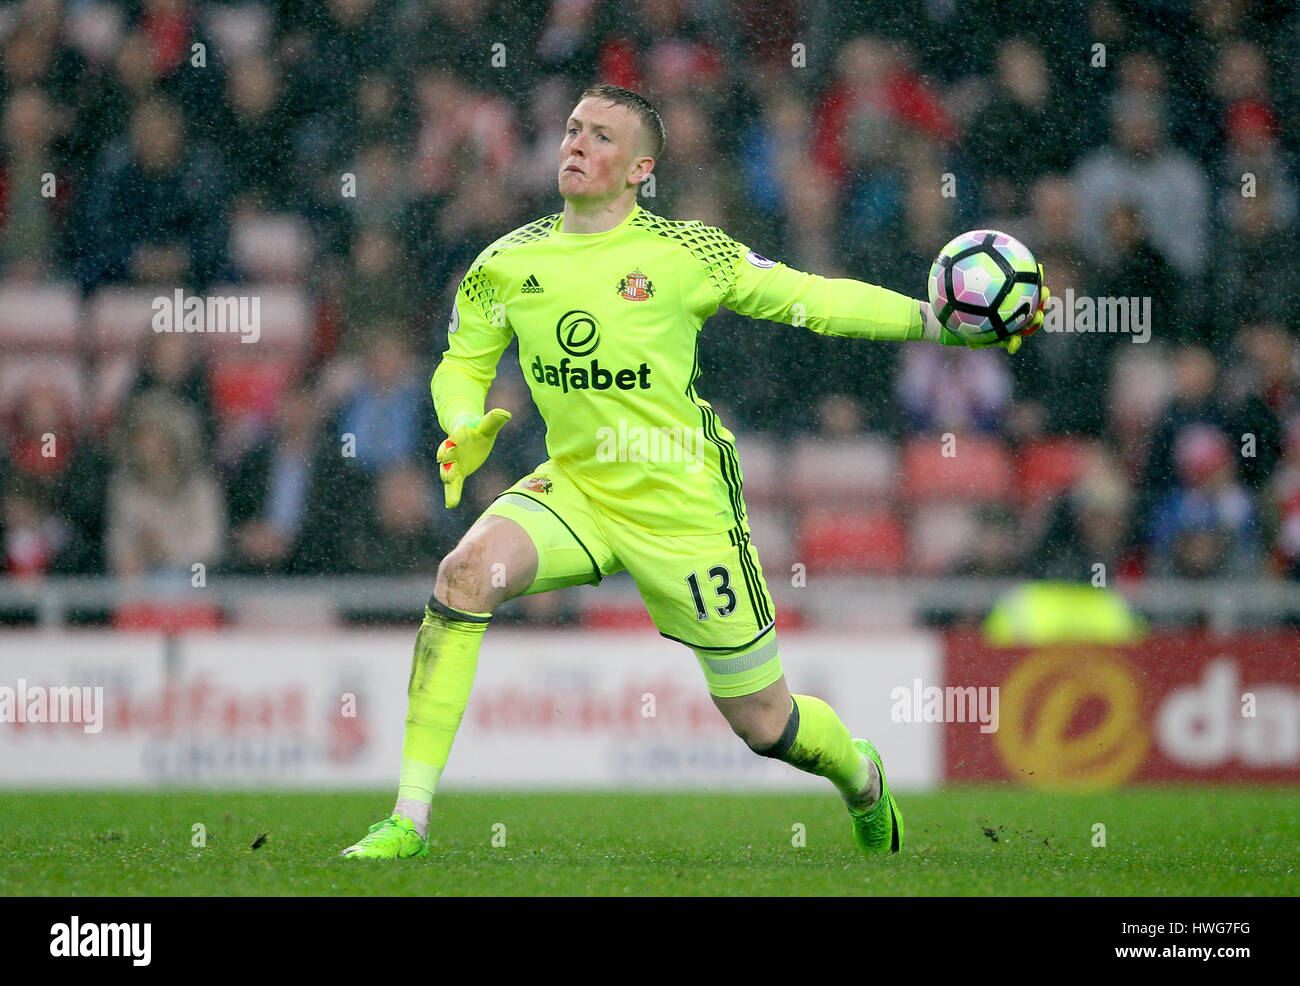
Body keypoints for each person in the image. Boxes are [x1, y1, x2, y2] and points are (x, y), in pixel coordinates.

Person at [341, 84, 1048, 860]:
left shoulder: (687, 252)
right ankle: (408, 818)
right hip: (576, 487)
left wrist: (930, 323)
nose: (576, 144)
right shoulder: (505, 263)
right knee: (465, 572)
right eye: (573, 130)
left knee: (766, 725)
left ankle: (862, 779)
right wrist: (460, 424)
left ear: (642, 168)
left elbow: (809, 299)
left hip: (684, 502)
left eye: (601, 136)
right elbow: (459, 365)